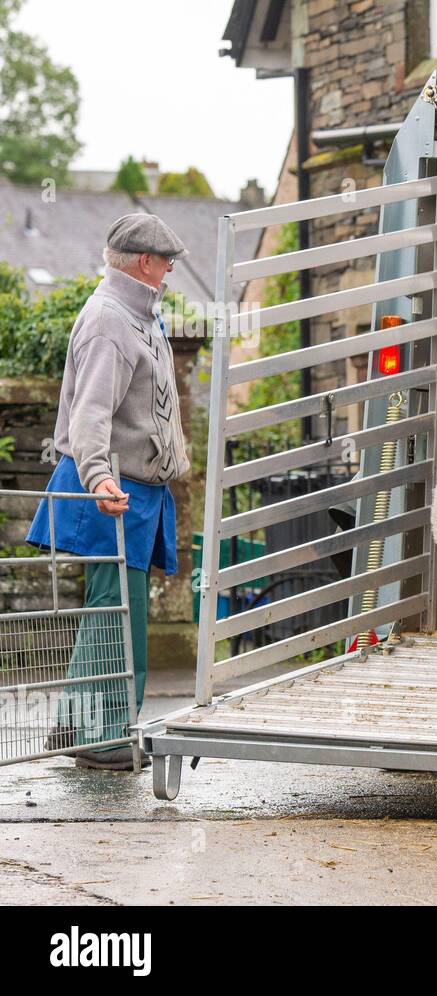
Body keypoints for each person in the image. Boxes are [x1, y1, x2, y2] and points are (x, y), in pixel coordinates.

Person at [27, 213, 191, 771]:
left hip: (132, 490)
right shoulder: (110, 322)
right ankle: (98, 738)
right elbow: (90, 413)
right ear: (144, 262)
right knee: (114, 613)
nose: (171, 269)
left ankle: (78, 724)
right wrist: (99, 477)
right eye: (166, 260)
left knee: (114, 608)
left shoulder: (135, 315)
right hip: (111, 487)